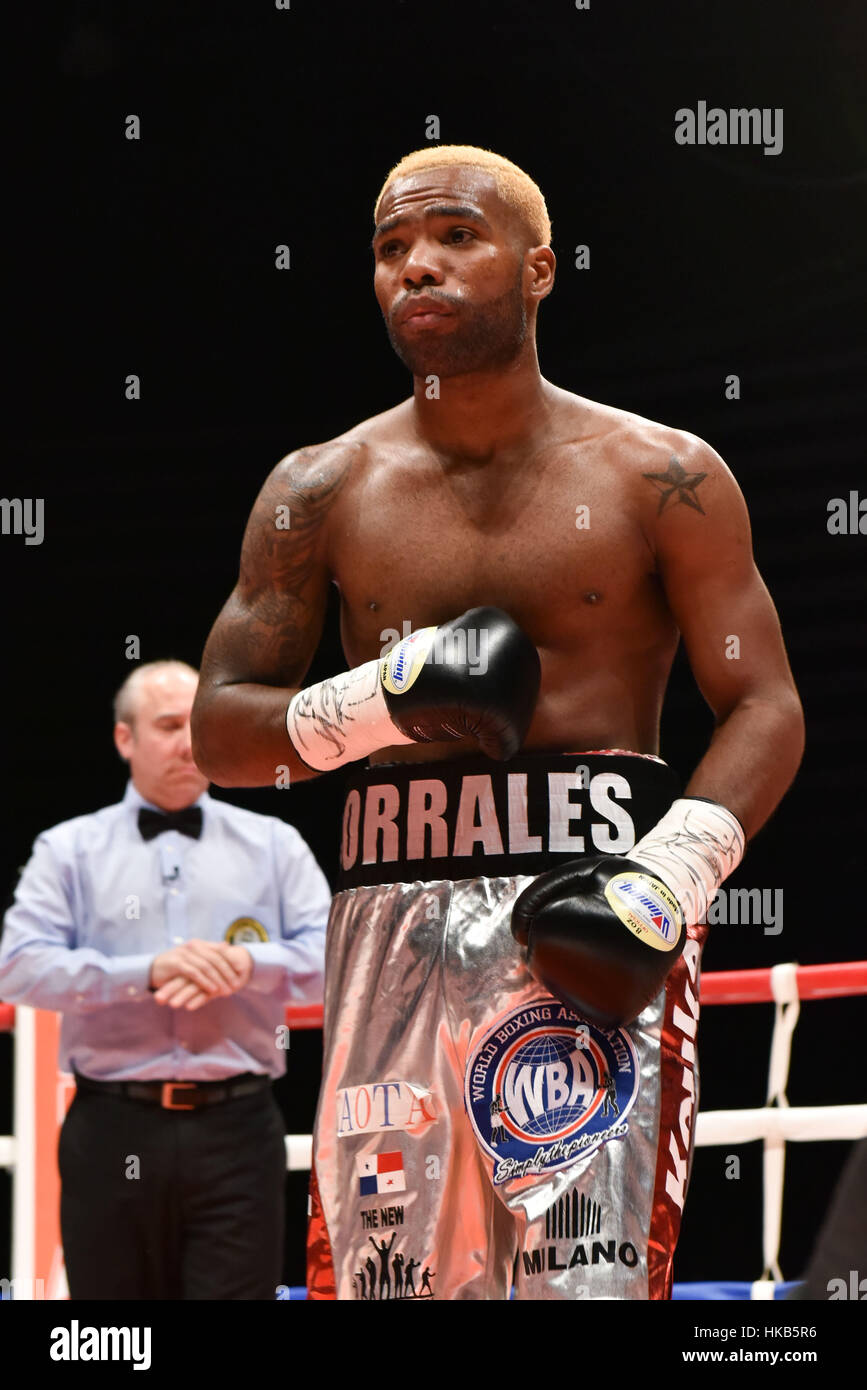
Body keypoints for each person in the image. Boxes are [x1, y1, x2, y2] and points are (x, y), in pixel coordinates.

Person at [190, 144, 804, 1300]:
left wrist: (669, 877)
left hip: (594, 910)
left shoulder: (662, 473)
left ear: (540, 269)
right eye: (389, 248)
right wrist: (385, 695)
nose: (416, 265)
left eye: (455, 237)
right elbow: (222, 733)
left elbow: (765, 704)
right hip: (391, 927)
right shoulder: (317, 490)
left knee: (591, 1292)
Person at [0, 659, 330, 1299]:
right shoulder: (67, 850)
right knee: (117, 1338)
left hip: (239, 1127)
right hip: (112, 1125)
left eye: (197, 724)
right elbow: (19, 968)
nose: (188, 742)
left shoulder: (275, 845)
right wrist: (144, 972)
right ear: (126, 739)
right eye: (168, 725)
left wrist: (248, 966)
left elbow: (336, 965)